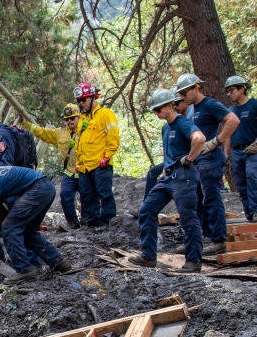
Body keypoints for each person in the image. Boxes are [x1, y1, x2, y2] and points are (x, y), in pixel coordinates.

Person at [129, 89, 205, 272]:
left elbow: (200, 138)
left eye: (159, 109)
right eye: (154, 110)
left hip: (184, 177)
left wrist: (190, 158)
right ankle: (148, 256)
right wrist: (164, 171)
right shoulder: (165, 128)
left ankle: (193, 262)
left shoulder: (182, 123)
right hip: (169, 176)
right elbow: (169, 154)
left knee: (188, 219)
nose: (157, 114)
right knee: (146, 210)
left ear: (170, 105)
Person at [0, 167, 72, 282]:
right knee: (28, 232)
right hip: (45, 188)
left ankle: (24, 270)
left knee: (10, 228)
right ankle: (59, 262)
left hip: (37, 190)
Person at [175, 72, 239, 254]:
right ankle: (205, 237)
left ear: (196, 88)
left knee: (212, 197)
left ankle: (219, 240)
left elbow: (233, 120)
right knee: (198, 199)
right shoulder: (193, 109)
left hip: (211, 159)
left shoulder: (210, 104)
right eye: (180, 94)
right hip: (198, 160)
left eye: (184, 93)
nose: (182, 97)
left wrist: (217, 141)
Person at [21, 103, 82, 228]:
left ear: (79, 117)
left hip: (85, 172)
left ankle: (88, 221)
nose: (69, 121)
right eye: (67, 119)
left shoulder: (87, 131)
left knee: (87, 197)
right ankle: (73, 223)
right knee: (65, 196)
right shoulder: (59, 133)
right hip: (69, 173)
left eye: (72, 118)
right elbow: (42, 133)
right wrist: (25, 123)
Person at [72, 83, 120, 229]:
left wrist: (107, 155)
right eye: (79, 100)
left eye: (84, 99)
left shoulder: (105, 114)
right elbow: (79, 142)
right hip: (84, 166)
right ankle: (91, 223)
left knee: (104, 193)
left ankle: (108, 221)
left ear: (93, 97)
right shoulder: (82, 119)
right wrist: (78, 163)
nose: (81, 103)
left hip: (100, 163)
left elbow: (113, 136)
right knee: (87, 195)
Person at [226, 75, 257, 222]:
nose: (229, 94)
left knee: (252, 177)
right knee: (241, 183)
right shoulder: (230, 111)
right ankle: (249, 214)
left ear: (242, 88)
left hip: (253, 150)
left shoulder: (254, 105)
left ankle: (256, 210)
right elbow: (227, 134)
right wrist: (226, 154)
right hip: (237, 151)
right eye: (227, 91)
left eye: (232, 90)